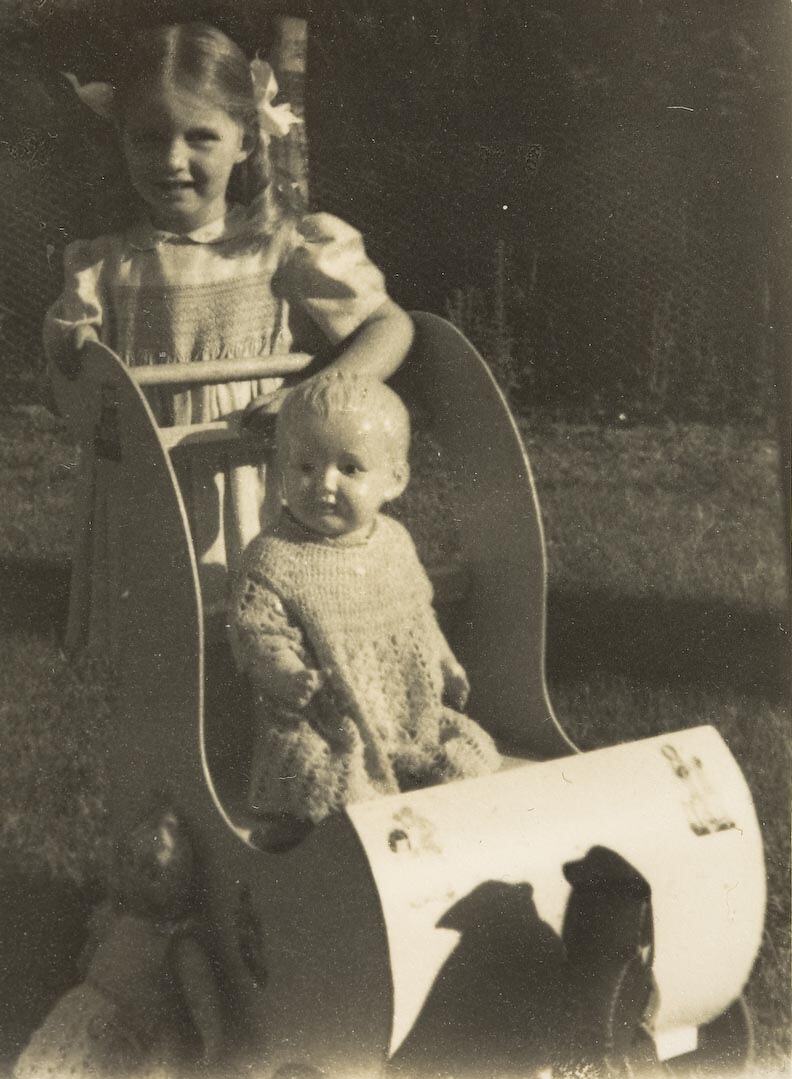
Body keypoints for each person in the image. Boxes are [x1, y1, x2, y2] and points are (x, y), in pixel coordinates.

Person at [45, 21, 413, 653]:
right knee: (163, 659)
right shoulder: (103, 264)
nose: (172, 160)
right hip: (146, 486)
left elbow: (389, 326)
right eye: (150, 138)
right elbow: (69, 385)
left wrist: (314, 394)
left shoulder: (282, 248)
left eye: (201, 136)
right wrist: (77, 362)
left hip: (255, 484)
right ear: (121, 140)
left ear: (246, 140)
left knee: (267, 644)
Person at [229, 373, 500, 850]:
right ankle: (363, 851)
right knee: (337, 785)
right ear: (281, 469)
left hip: (407, 713)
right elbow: (257, 633)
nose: (324, 484)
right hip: (324, 725)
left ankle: (445, 817)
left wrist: (444, 660)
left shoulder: (394, 542)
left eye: (350, 469)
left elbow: (419, 615)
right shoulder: (272, 557)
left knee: (470, 752)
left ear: (394, 480)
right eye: (305, 466)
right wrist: (288, 672)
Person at [13, 807, 224, 1079]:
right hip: (88, 1012)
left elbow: (200, 997)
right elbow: (90, 961)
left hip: (126, 1032)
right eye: (131, 868)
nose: (133, 881)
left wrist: (212, 1044)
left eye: (151, 874)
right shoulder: (118, 919)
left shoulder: (176, 940)